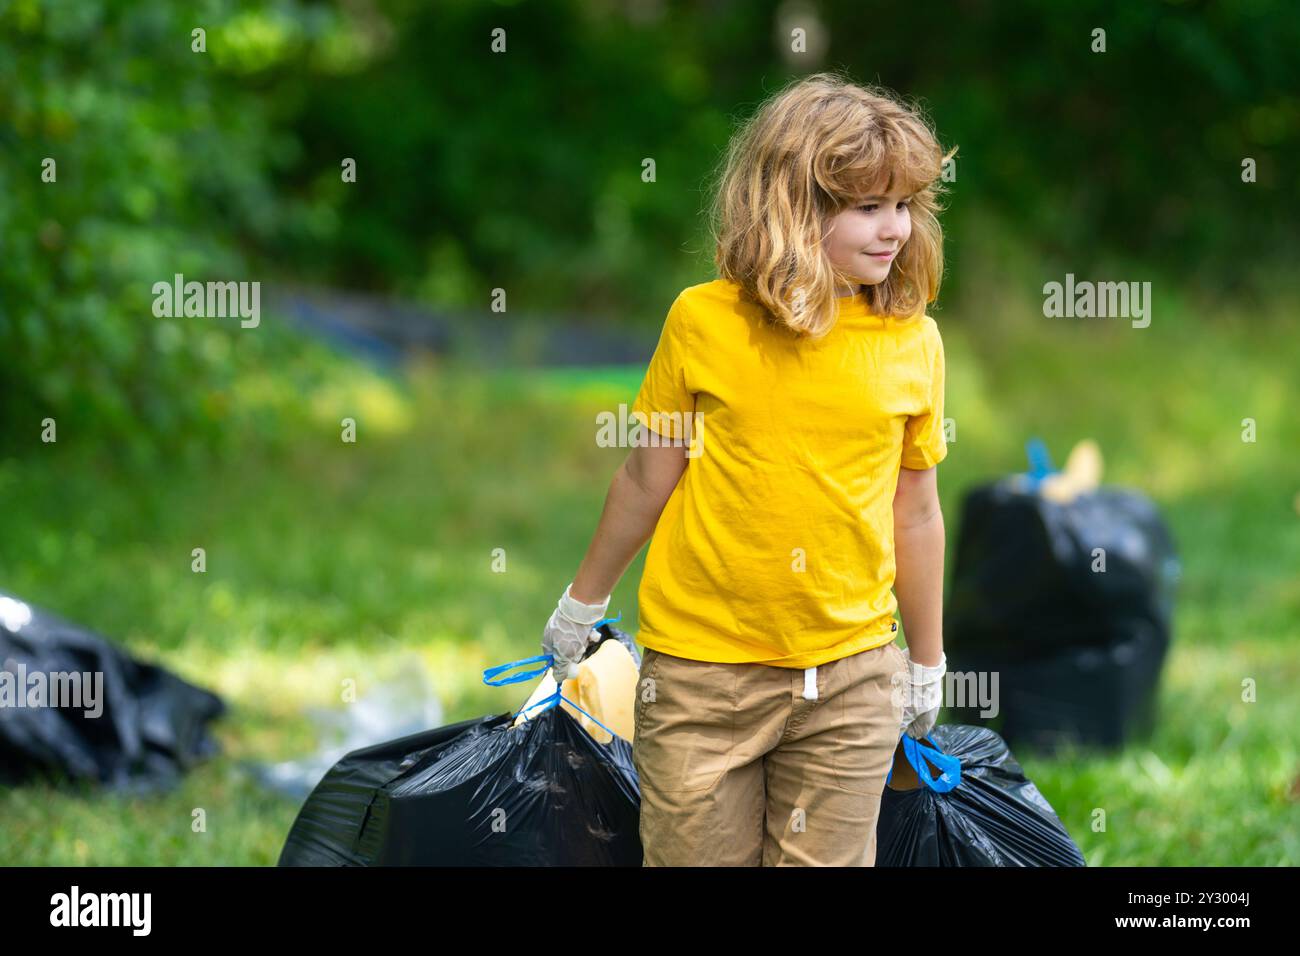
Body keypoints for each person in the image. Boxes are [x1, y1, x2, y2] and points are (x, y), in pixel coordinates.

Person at [542, 71, 956, 866]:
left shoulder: (913, 341)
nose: (895, 228)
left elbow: (917, 510)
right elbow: (645, 476)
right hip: (699, 678)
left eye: (904, 205)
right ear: (793, 208)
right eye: (868, 206)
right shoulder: (703, 321)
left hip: (850, 678)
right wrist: (580, 603)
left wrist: (928, 661)